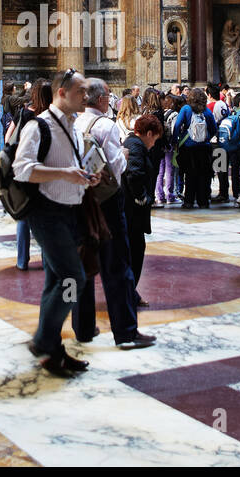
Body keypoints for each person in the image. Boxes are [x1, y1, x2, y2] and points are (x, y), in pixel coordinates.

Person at [13, 69, 100, 376]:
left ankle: (53, 351)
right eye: (80, 91)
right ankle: (43, 341)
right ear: (61, 93)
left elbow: (69, 165)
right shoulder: (39, 126)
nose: (86, 97)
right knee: (72, 278)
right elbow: (22, 169)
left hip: (70, 210)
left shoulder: (73, 125)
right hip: (46, 213)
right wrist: (63, 175)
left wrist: (86, 177)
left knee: (56, 281)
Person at [74, 79, 154, 349]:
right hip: (107, 200)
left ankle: (83, 327)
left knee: (84, 263)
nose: (109, 99)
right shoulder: (106, 126)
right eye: (108, 95)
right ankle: (126, 331)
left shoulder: (74, 123)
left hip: (82, 198)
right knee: (116, 265)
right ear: (100, 100)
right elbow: (117, 166)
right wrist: (123, 152)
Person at [7, 80, 52, 270]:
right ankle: (47, 259)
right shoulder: (52, 116)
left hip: (25, 171)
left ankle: (22, 261)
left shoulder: (24, 113)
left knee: (24, 217)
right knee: (48, 217)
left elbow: (9, 138)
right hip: (46, 170)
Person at [123, 113, 162, 308]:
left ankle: (130, 292)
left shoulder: (132, 143)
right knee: (135, 251)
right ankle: (128, 293)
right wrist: (142, 197)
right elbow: (134, 173)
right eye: (154, 138)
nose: (154, 144)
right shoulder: (136, 146)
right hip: (131, 210)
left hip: (131, 210)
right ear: (148, 133)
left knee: (134, 250)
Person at [174, 88, 217, 209]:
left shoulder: (186, 109)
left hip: (188, 147)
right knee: (204, 175)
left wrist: (175, 141)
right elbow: (214, 129)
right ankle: (203, 201)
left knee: (189, 174)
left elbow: (177, 125)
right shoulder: (207, 111)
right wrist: (206, 138)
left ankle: (189, 201)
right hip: (204, 148)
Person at [156, 93, 182, 206]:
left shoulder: (161, 112)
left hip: (160, 144)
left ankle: (159, 195)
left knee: (160, 170)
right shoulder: (174, 114)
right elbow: (174, 129)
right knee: (169, 170)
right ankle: (169, 195)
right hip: (169, 144)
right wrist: (174, 142)